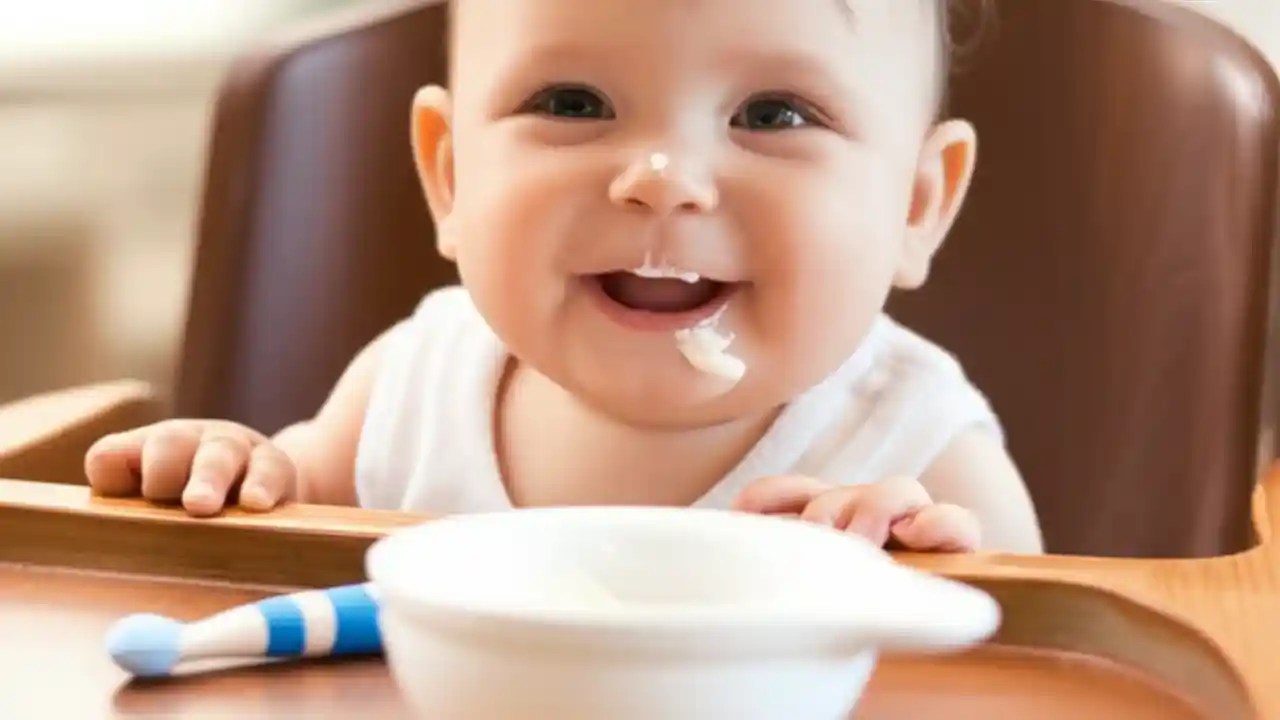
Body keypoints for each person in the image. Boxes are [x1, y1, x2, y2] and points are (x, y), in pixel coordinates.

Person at [85, 0, 1043, 554]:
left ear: (916, 207)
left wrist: (931, 596)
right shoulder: (411, 388)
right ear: (451, 173)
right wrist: (227, 470)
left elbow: (1035, 677)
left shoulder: (917, 454)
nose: (663, 178)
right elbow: (268, 541)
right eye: (574, 102)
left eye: (776, 115)